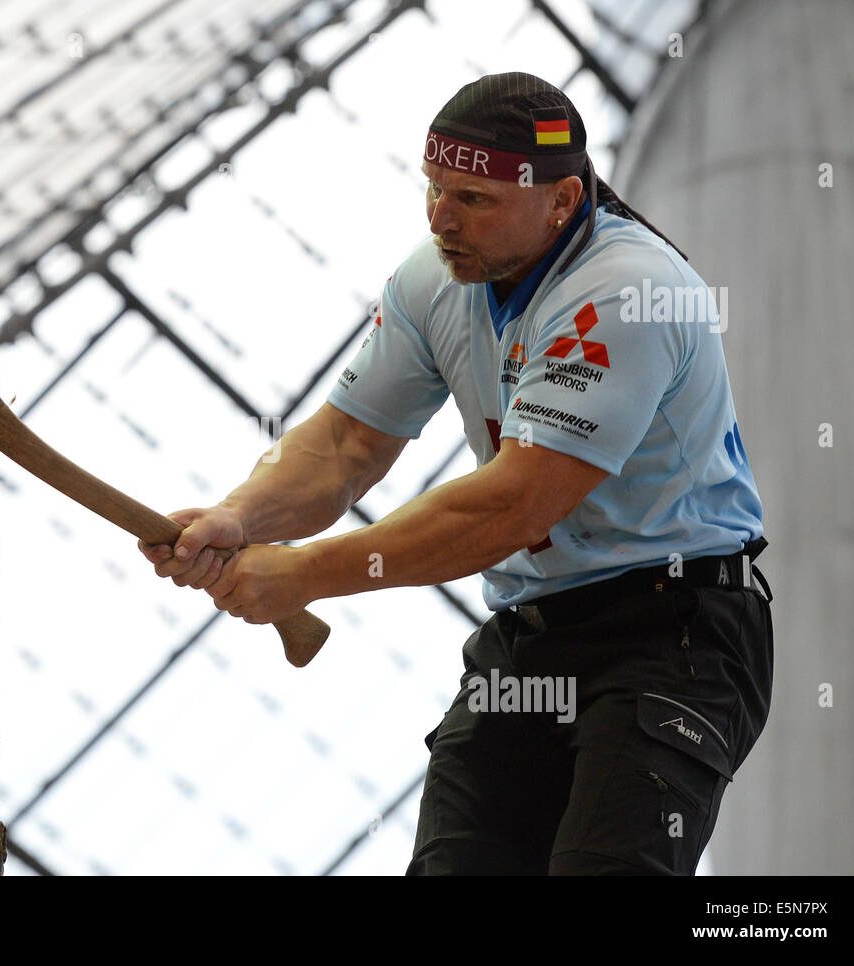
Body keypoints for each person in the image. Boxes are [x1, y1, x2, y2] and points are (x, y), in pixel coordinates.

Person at [137, 72, 773, 875]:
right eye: (433, 189)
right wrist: (240, 516)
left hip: (674, 631)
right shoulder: (436, 277)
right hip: (531, 634)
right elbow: (345, 446)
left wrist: (303, 574)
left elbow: (511, 508)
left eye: (473, 199)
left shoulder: (627, 292)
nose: (441, 219)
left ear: (562, 198)